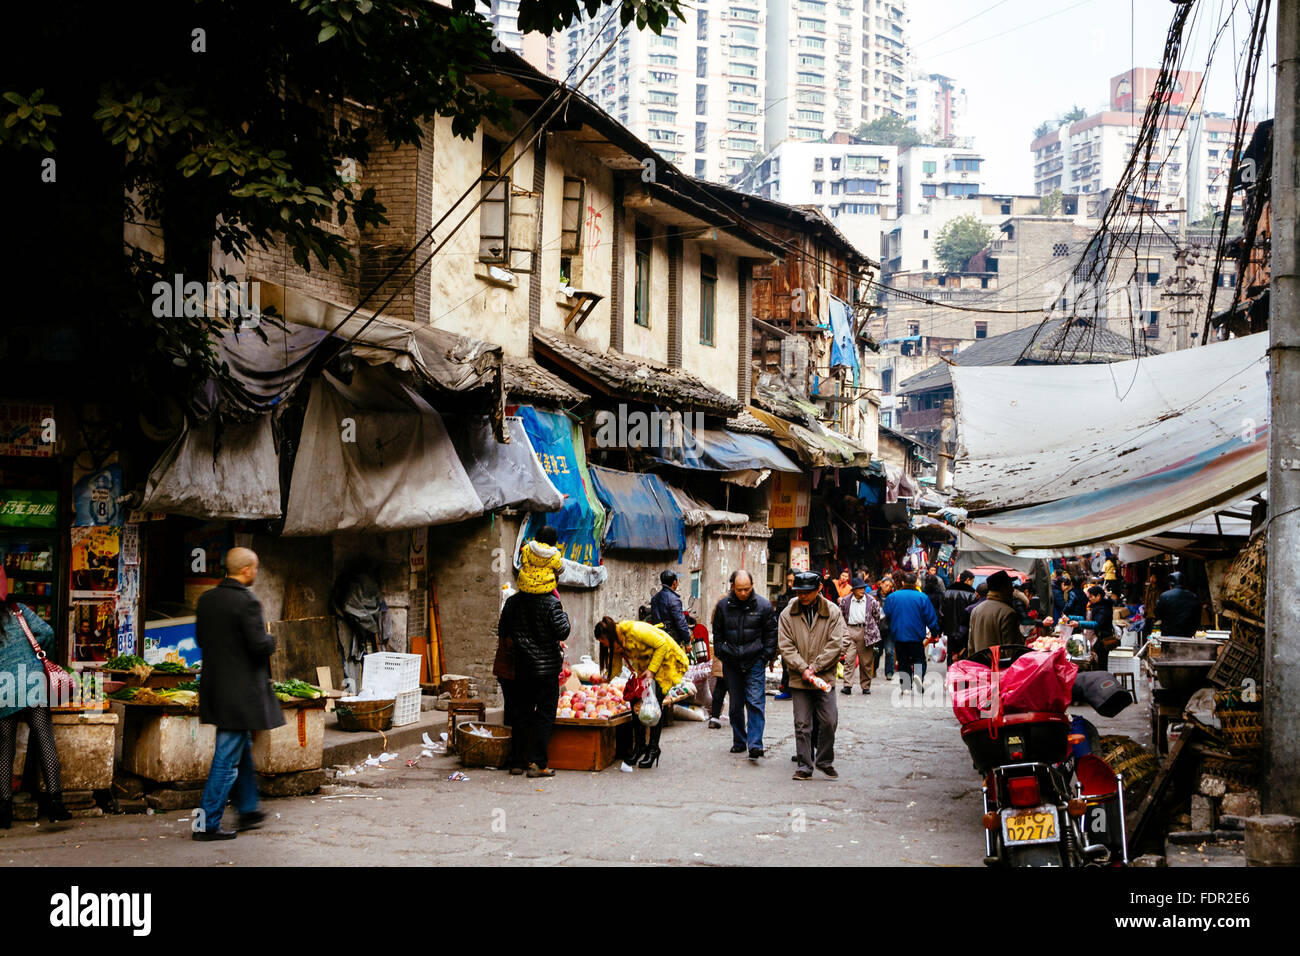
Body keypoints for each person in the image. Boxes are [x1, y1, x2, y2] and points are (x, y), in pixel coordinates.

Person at [194, 547, 284, 841]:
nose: (255, 573)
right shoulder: (247, 602)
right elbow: (259, 645)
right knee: (226, 757)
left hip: (214, 688)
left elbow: (202, 639)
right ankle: (205, 824)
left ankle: (248, 808)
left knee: (240, 746)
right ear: (246, 570)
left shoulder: (207, 600)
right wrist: (271, 640)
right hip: (240, 693)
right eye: (255, 568)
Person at [0, 566, 70, 829]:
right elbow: (47, 633)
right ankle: (56, 805)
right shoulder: (19, 610)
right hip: (32, 682)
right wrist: (37, 656)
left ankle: (4, 811)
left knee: (5, 748)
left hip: (3, 688)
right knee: (44, 740)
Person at [498, 560, 570, 778]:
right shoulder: (551, 603)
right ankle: (538, 763)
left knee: (521, 714)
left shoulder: (513, 602)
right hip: (546, 670)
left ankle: (517, 762)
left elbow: (503, 630)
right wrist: (563, 614)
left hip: (522, 668)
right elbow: (563, 631)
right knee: (545, 715)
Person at [779, 570, 848, 780]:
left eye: (807, 592)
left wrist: (815, 667)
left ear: (818, 589)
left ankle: (824, 760)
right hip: (799, 679)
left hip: (823, 677)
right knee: (802, 724)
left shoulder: (832, 612)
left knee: (829, 721)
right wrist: (802, 668)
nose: (803, 596)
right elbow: (786, 646)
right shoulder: (787, 614)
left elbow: (836, 643)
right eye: (799, 592)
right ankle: (804, 766)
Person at [595, 618, 689, 769]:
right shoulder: (617, 642)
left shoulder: (635, 631)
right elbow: (616, 664)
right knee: (636, 704)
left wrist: (651, 671)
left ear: (609, 636)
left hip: (666, 662)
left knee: (653, 708)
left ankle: (653, 749)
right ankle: (639, 747)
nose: (604, 645)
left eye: (603, 641)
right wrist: (605, 680)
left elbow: (662, 645)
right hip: (647, 667)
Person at [711, 570, 778, 759]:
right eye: (739, 589)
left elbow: (771, 634)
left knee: (756, 702)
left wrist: (766, 656)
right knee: (735, 705)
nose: (743, 593)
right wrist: (721, 652)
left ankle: (755, 744)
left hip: (755, 661)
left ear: (752, 586)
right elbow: (717, 633)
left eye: (747, 589)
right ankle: (739, 741)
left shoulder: (763, 606)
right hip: (731, 662)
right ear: (732, 586)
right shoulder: (723, 607)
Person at [882, 571, 939, 694]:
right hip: (916, 634)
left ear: (903, 582)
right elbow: (930, 617)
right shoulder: (922, 597)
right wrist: (935, 632)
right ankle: (918, 675)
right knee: (919, 658)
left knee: (903, 660)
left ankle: (906, 687)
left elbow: (887, 613)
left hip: (898, 634)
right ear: (915, 583)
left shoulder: (893, 596)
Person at [838, 578, 882, 694]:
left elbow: (877, 616)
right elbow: (840, 615)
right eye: (860, 588)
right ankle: (847, 685)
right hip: (850, 630)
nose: (863, 590)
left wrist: (871, 628)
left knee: (866, 661)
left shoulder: (871, 601)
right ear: (854, 590)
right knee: (849, 660)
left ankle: (866, 686)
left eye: (863, 588)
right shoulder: (845, 601)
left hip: (865, 631)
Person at [967, 570, 1022, 655]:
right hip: (1000, 666)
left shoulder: (976, 610)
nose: (1012, 589)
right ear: (1005, 588)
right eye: (1010, 585)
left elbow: (971, 647)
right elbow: (1012, 651)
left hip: (980, 665)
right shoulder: (1008, 613)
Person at [941, 570, 980, 662]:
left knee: (950, 652)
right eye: (972, 581)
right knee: (963, 653)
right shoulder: (972, 595)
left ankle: (950, 672)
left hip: (949, 629)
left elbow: (942, 611)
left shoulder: (947, 592)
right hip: (965, 630)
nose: (972, 584)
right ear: (967, 580)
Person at [649, 570, 693, 648]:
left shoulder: (654, 598)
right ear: (674, 582)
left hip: (657, 638)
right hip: (672, 639)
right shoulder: (674, 599)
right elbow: (681, 622)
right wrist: (687, 641)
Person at [1152, 571, 1203, 637]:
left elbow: (1157, 614)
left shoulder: (1164, 596)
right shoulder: (1194, 597)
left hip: (1168, 634)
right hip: (1187, 635)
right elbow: (1197, 617)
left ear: (1171, 584)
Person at [516, 526, 564, 595]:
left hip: (524, 587)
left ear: (537, 536)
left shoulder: (526, 549)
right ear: (554, 540)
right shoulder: (555, 554)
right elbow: (560, 569)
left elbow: (521, 563)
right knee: (557, 598)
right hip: (546, 589)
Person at [1085, 586, 1117, 670]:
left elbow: (1097, 623)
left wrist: (1079, 624)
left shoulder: (1104, 608)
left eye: (1091, 596)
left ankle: (1102, 681)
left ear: (1098, 596)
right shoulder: (1096, 606)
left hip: (1102, 640)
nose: (1089, 599)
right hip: (1097, 639)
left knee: (1101, 665)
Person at [876, 574, 896, 679]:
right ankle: (873, 669)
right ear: (881, 584)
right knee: (877, 651)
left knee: (889, 651)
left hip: (889, 628)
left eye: (890, 586)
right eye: (886, 585)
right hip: (877, 628)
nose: (887, 587)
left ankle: (889, 672)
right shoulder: (873, 595)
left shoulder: (893, 597)